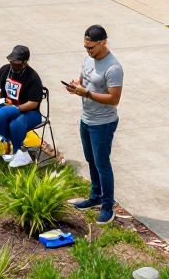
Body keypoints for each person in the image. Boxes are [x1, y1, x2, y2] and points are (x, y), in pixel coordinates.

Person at [66, 24, 123, 225]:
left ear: (103, 42)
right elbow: (84, 81)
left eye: (91, 47)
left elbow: (114, 99)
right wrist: (76, 87)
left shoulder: (113, 67)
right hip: (86, 118)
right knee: (91, 159)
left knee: (102, 163)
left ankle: (108, 206)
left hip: (103, 123)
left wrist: (87, 93)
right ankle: (95, 196)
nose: (88, 51)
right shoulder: (88, 59)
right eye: (85, 47)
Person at [0, 44, 44, 168]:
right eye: (11, 61)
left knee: (16, 124)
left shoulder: (32, 77)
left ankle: (20, 153)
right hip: (8, 106)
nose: (13, 64)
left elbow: (33, 103)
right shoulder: (5, 70)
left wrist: (15, 108)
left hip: (30, 112)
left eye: (17, 62)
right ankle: (6, 145)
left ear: (25, 62)